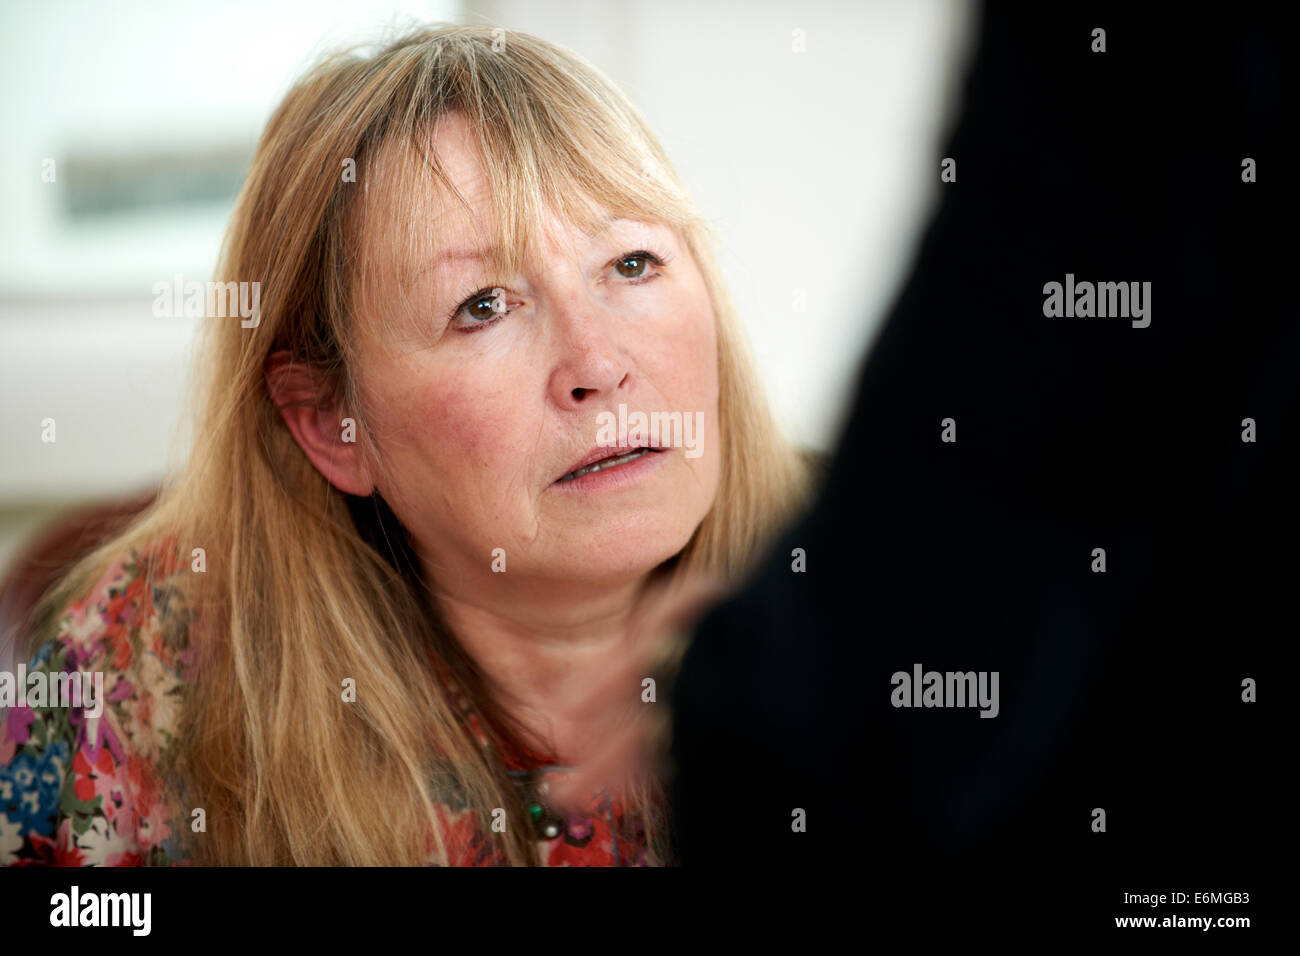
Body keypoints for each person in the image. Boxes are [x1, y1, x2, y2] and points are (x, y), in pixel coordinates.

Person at [0, 23, 809, 867]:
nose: (598, 365)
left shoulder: (891, 604)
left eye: (633, 264)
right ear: (329, 424)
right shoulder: (142, 664)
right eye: (483, 305)